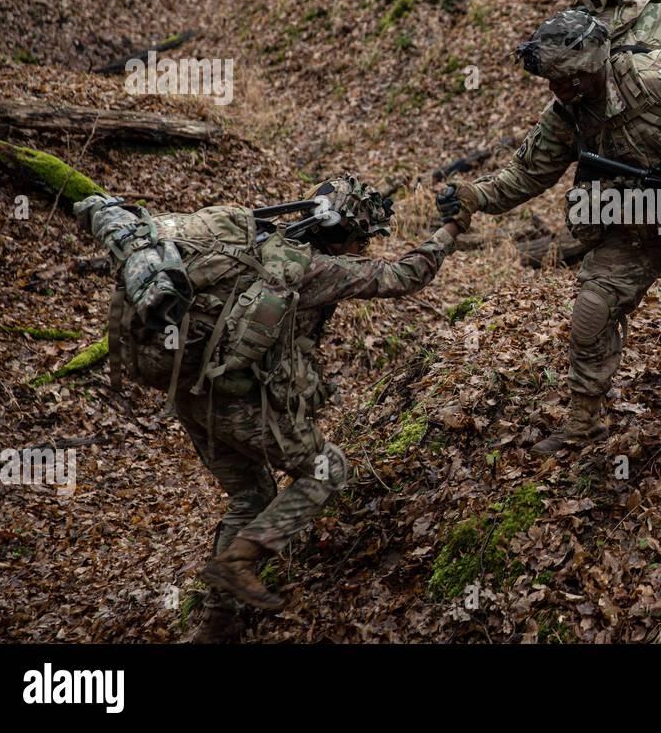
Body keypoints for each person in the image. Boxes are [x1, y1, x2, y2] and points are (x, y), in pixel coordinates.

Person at [76, 177, 466, 641]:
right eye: (362, 238)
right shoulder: (313, 268)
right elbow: (405, 276)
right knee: (329, 469)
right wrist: (448, 232)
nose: (364, 248)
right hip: (233, 404)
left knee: (251, 496)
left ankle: (217, 625)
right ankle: (242, 559)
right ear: (342, 235)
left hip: (188, 391)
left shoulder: (241, 238)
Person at [436, 9, 661, 455]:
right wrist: (473, 195)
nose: (555, 88)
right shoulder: (566, 116)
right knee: (592, 310)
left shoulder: (657, 76)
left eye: (562, 77)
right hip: (638, 214)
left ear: (588, 65)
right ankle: (583, 419)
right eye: (551, 80)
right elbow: (526, 176)